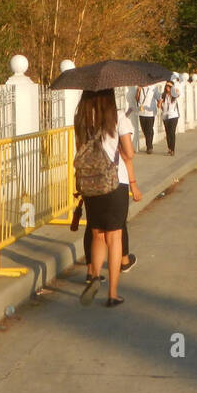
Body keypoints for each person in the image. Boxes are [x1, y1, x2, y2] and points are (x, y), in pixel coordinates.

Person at [76, 89, 141, 308]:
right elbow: (129, 153)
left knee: (97, 233)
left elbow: (80, 151)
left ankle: (94, 276)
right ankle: (112, 294)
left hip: (91, 185)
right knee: (114, 237)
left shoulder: (82, 119)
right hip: (115, 183)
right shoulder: (118, 117)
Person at [157, 79, 180, 155]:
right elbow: (159, 106)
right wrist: (160, 103)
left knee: (172, 132)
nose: (168, 87)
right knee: (167, 133)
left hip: (173, 116)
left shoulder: (174, 95)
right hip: (165, 116)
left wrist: (174, 90)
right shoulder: (162, 95)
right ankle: (169, 148)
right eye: (167, 85)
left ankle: (172, 150)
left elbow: (178, 94)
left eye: (170, 86)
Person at [136, 82, 158, 153]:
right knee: (144, 129)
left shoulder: (153, 87)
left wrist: (160, 102)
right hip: (141, 112)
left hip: (150, 112)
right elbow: (136, 99)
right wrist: (138, 91)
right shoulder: (139, 87)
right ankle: (149, 143)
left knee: (149, 129)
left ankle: (149, 147)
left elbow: (158, 97)